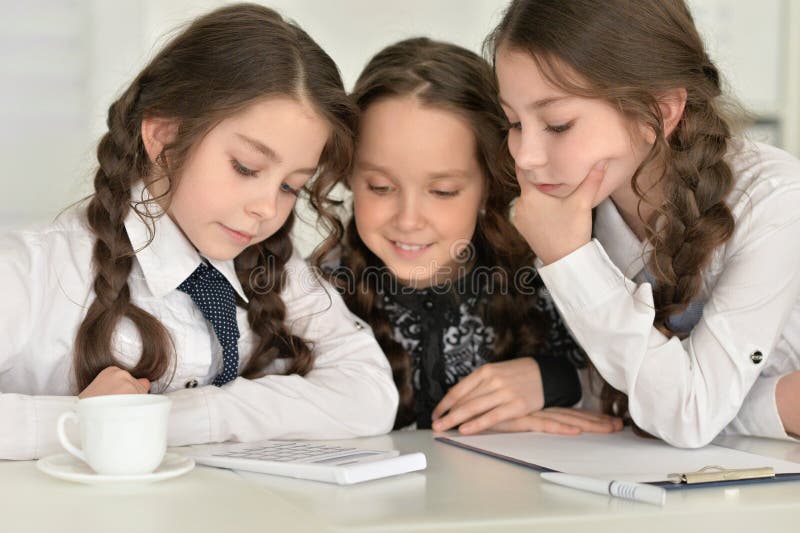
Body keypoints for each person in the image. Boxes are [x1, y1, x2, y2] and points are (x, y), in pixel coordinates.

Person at [0, 3, 398, 461]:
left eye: (291, 185)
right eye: (246, 168)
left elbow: (369, 394)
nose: (268, 208)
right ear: (164, 138)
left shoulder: (274, 266)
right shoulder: (35, 269)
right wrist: (81, 422)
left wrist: (180, 417)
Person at [489, 0, 800, 447]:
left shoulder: (773, 198)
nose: (526, 157)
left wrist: (572, 262)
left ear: (662, 110)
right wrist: (776, 405)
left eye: (558, 125)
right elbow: (649, 390)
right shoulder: (563, 203)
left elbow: (690, 415)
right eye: (515, 122)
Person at [326, 37, 622, 436]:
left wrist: (548, 381)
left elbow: (612, 378)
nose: (409, 219)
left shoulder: (544, 275)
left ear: (488, 184)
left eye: (443, 191)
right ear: (349, 174)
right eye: (380, 186)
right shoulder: (318, 294)